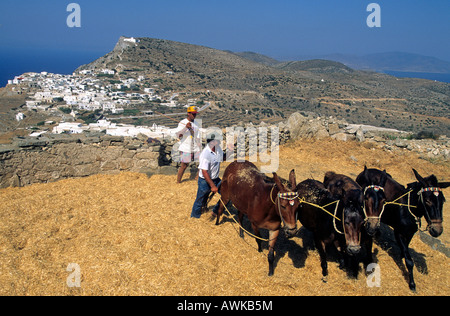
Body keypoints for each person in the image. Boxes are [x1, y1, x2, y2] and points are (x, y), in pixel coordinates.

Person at [190, 133, 233, 219]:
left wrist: (230, 151)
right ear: (213, 142)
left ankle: (215, 211)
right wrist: (212, 186)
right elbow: (204, 172)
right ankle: (194, 217)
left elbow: (223, 158)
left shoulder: (218, 149)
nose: (220, 142)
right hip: (204, 181)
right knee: (200, 200)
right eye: (218, 140)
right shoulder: (206, 154)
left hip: (215, 179)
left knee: (227, 194)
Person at [175, 106, 202, 183]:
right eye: (193, 114)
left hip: (195, 147)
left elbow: (197, 134)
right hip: (186, 147)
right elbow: (179, 135)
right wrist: (185, 128)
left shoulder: (196, 123)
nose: (194, 115)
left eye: (195, 114)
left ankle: (197, 177)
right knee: (184, 165)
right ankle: (178, 181)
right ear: (188, 113)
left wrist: (199, 143)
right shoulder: (182, 122)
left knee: (202, 162)